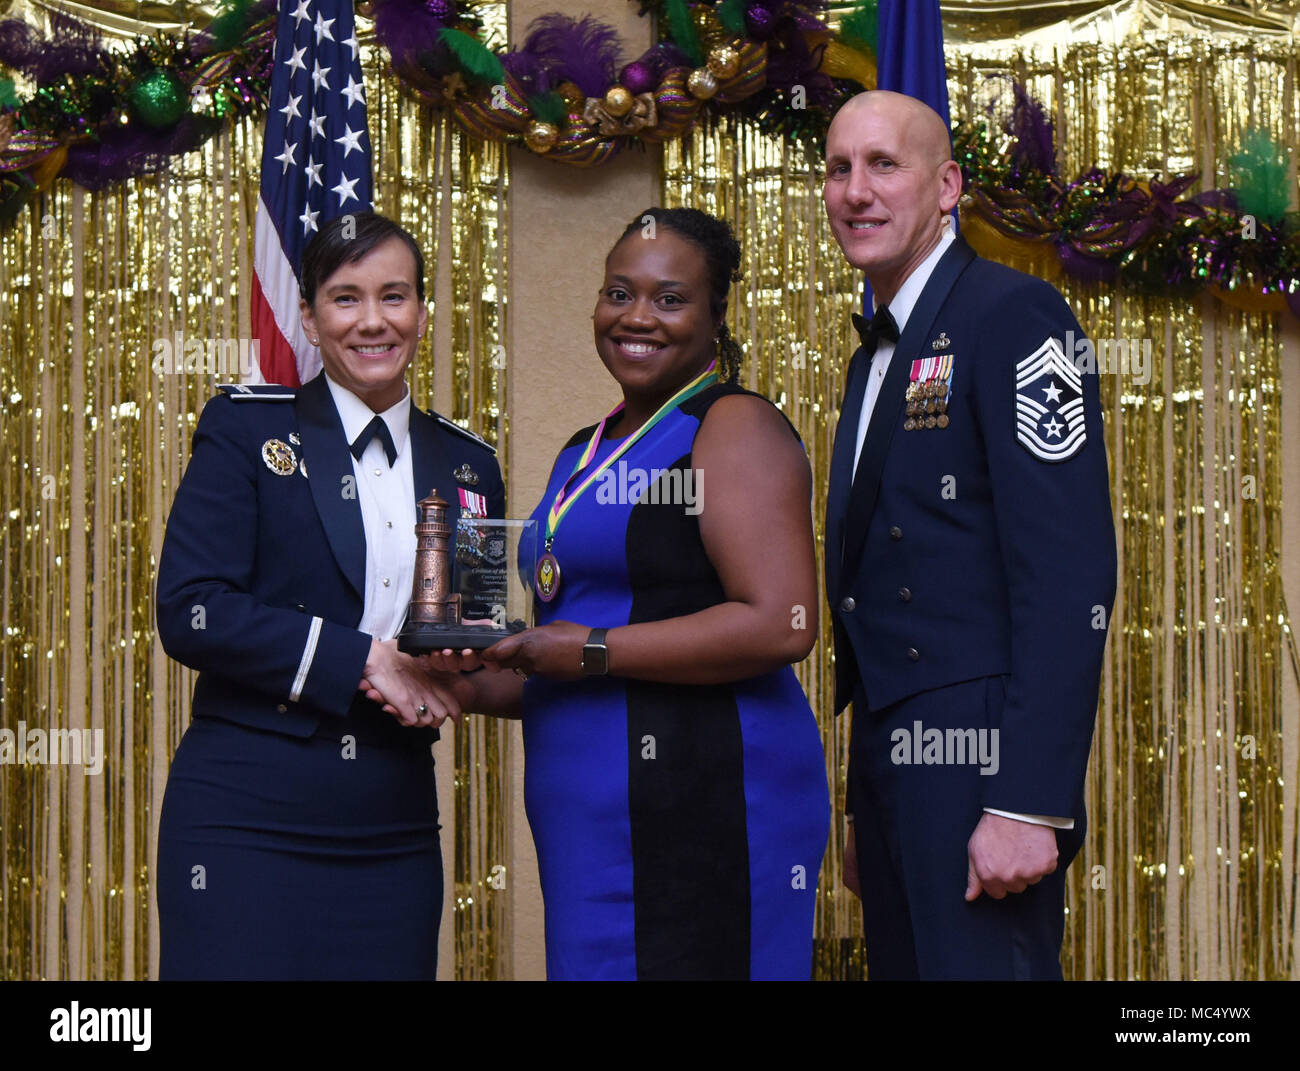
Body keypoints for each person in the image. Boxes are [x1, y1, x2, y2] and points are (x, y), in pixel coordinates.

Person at [421, 207, 830, 980]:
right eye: (619, 292)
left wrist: (590, 650)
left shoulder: (732, 425)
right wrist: (468, 678)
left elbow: (782, 623)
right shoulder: (587, 448)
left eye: (670, 298)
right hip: (588, 817)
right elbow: (566, 649)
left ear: (716, 314)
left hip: (703, 797)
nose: (637, 317)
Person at [154, 211, 504, 979]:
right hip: (245, 812)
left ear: (420, 310)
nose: (373, 320)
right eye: (346, 299)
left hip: (394, 817)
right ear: (308, 318)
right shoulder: (244, 429)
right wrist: (363, 659)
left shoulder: (472, 463)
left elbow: (469, 642)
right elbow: (190, 608)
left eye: (395, 296)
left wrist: (473, 663)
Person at [821, 91, 1117, 980]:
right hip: (897, 764)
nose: (856, 191)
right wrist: (864, 793)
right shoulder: (875, 350)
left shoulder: (1017, 317)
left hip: (985, 760)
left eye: (884, 165)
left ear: (947, 185)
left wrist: (1031, 800)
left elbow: (1072, 576)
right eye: (838, 168)